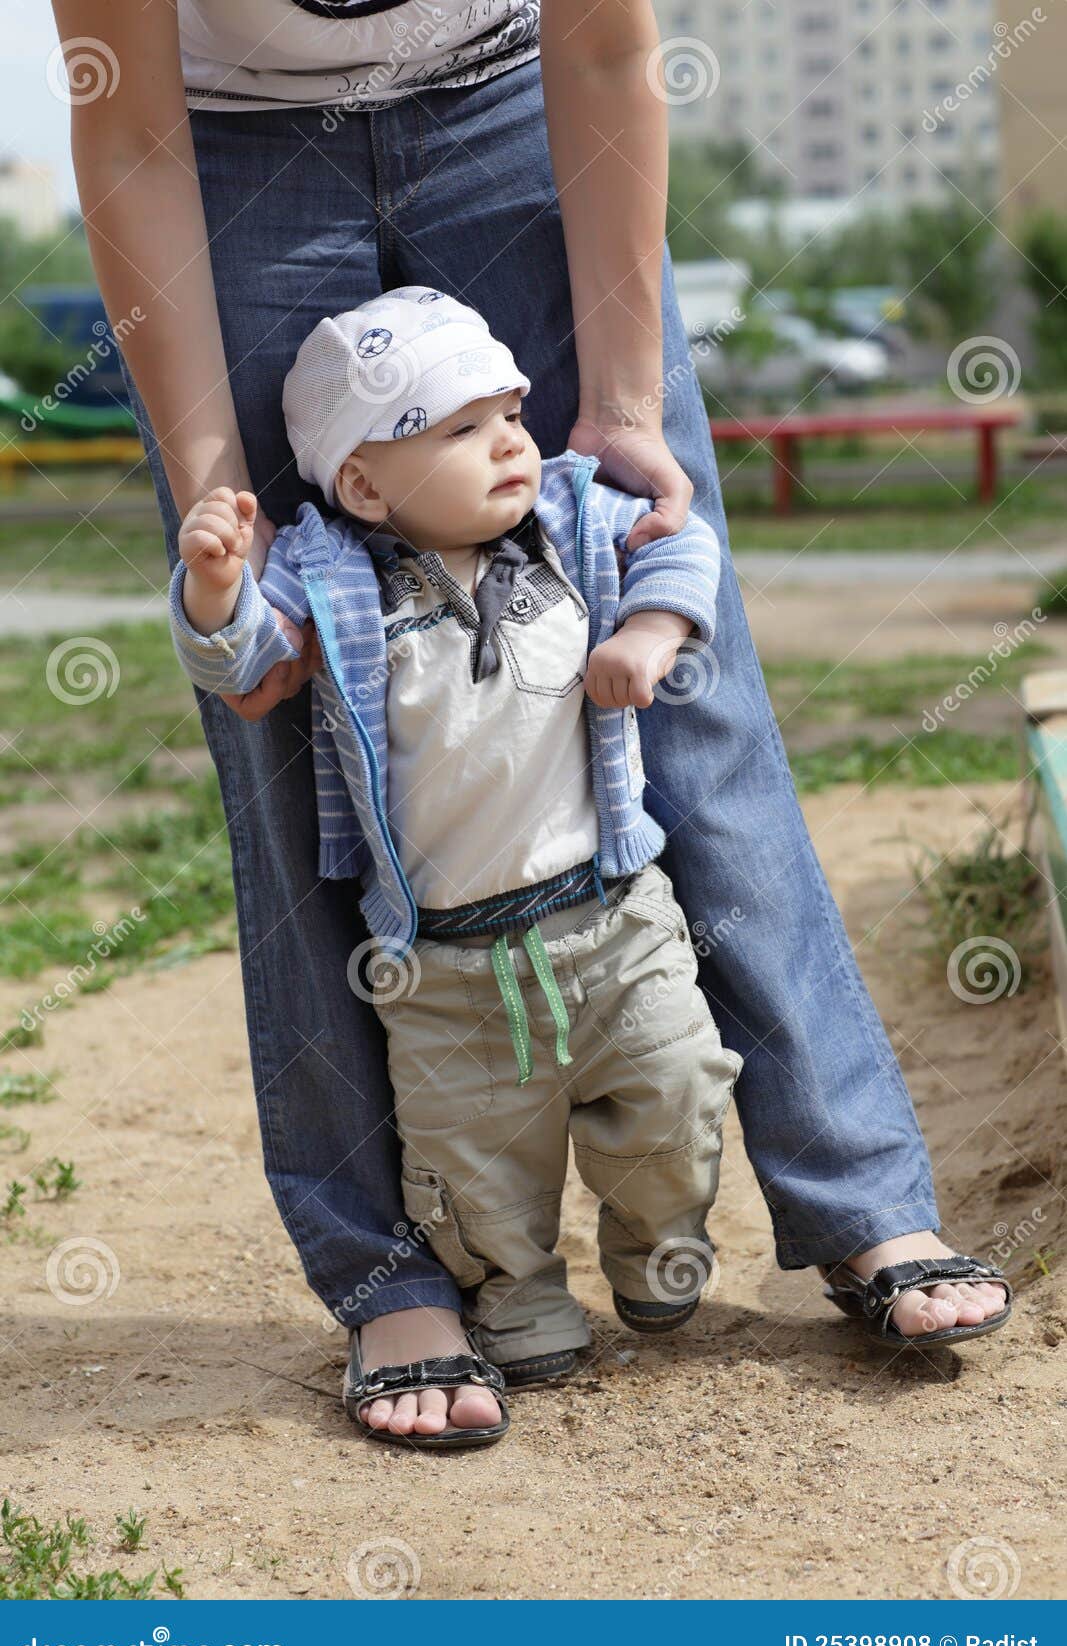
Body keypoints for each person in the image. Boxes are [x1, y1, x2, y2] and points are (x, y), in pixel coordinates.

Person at [53, 0, 1009, 1446]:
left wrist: (623, 403)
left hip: (506, 105)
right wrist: (213, 499)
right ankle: (393, 1280)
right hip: (232, 154)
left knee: (674, 658)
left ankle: (858, 1198)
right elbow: (128, 123)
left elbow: (606, 43)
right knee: (293, 716)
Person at [167, 287, 746, 1448]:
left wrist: (649, 632)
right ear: (364, 483)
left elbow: (680, 538)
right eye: (461, 429)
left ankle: (655, 1242)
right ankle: (515, 1296)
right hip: (443, 968)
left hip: (615, 921)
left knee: (677, 1090)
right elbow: (247, 667)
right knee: (472, 1166)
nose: (509, 443)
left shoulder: (571, 516)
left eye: (510, 415)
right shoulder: (332, 576)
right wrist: (214, 587)